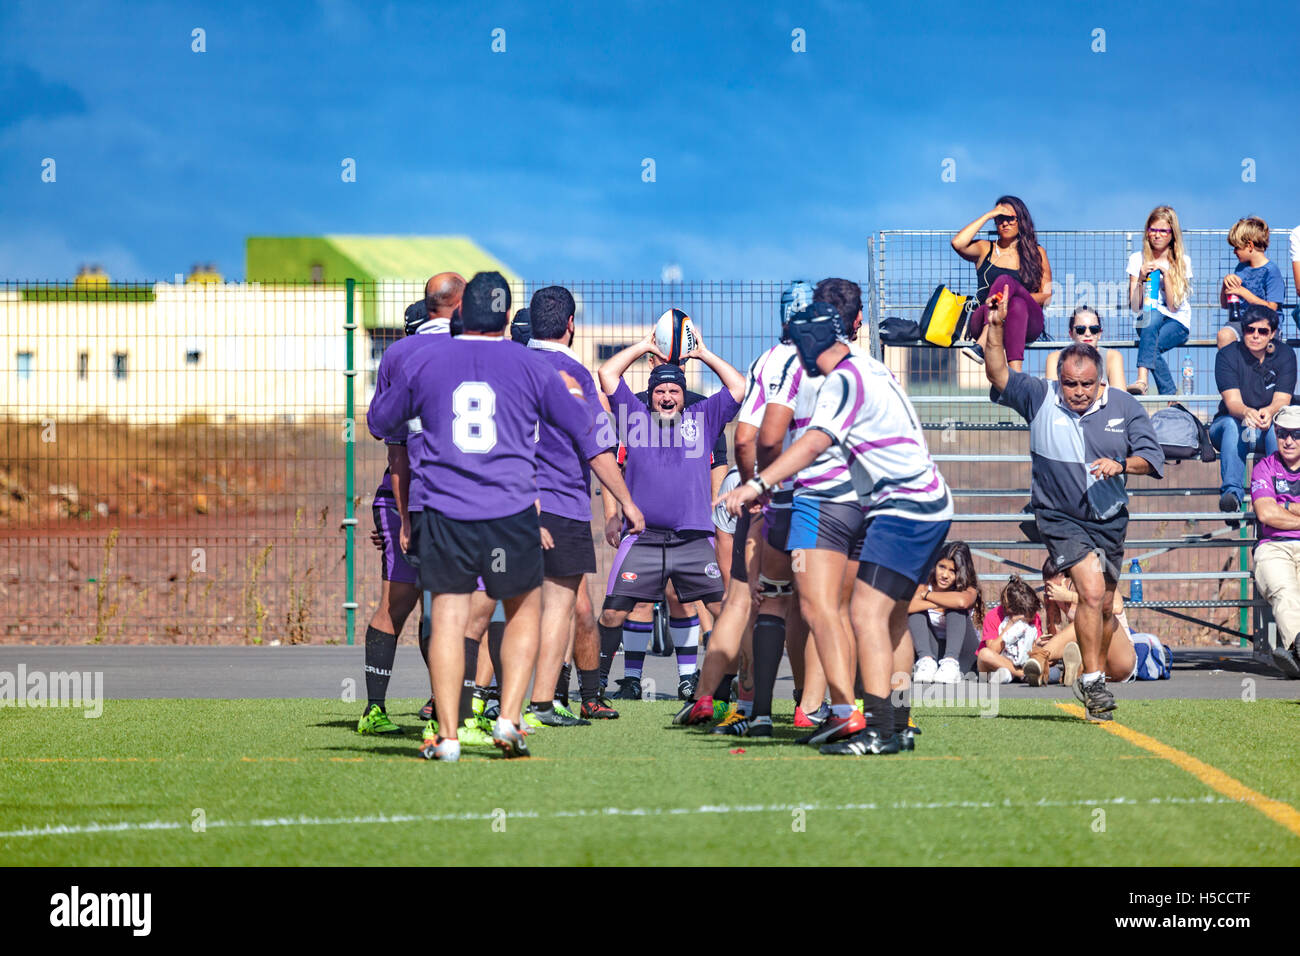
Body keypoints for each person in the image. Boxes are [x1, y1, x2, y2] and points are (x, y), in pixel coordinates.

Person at [367, 271, 644, 762]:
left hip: (444, 508)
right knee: (520, 612)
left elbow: (380, 423)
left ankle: (448, 734)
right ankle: (511, 720)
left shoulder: (423, 360)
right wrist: (624, 498)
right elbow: (586, 432)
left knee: (449, 618)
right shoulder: (534, 365)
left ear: (460, 313)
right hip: (512, 509)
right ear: (506, 316)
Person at [720, 302, 954, 756]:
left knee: (859, 614)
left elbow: (811, 442)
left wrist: (758, 485)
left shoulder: (842, 381)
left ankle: (875, 728)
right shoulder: (871, 369)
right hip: (925, 501)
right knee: (886, 616)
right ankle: (894, 726)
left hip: (905, 507)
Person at [983, 292, 1165, 722]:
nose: (1078, 392)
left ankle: (1092, 665)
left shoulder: (1125, 405)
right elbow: (995, 372)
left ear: (1100, 380)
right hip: (1059, 515)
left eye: (1087, 384)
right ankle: (1094, 686)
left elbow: (1152, 460)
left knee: (1101, 607)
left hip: (1109, 518)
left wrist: (1121, 464)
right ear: (1059, 379)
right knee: (1089, 588)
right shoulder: (1038, 397)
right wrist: (994, 326)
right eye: (1070, 383)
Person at [595, 323, 745, 704]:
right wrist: (644, 344)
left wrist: (701, 354)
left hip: (693, 539)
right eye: (660, 391)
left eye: (673, 391)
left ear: (683, 396)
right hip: (643, 539)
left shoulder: (704, 418)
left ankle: (724, 690)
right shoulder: (633, 415)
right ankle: (592, 687)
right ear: (650, 394)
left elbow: (738, 388)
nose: (666, 397)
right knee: (614, 612)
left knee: (721, 609)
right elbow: (608, 374)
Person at [525, 285, 642, 726]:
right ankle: (545, 702)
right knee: (564, 607)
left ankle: (479, 699)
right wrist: (626, 504)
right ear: (571, 325)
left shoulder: (510, 365)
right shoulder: (572, 374)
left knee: (496, 605)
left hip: (503, 502)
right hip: (560, 503)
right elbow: (597, 448)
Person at [358, 272, 465, 737]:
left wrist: (400, 514)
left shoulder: (398, 354)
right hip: (453, 500)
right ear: (461, 304)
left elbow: (388, 437)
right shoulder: (476, 350)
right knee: (452, 607)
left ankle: (376, 710)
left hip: (406, 495)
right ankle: (450, 710)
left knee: (397, 603)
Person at [1210, 305, 1296, 517]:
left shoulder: (1285, 355)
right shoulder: (1228, 355)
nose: (1255, 335)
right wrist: (1247, 412)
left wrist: (1268, 411)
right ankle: (1232, 497)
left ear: (1272, 334)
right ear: (1243, 330)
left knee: (1278, 429)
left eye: (1262, 331)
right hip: (1228, 424)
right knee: (1232, 424)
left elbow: (1282, 400)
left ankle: (1277, 498)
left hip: (1268, 424)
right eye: (1250, 330)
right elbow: (1232, 403)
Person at [951, 195, 1053, 369]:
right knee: (1015, 299)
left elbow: (1047, 296)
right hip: (984, 315)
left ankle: (982, 344)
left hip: (1027, 322)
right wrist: (988, 215)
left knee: (1014, 296)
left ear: (1021, 220)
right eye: (1000, 219)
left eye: (1010, 219)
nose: (1005, 223)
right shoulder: (985, 248)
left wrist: (1010, 297)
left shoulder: (1037, 253)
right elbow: (958, 243)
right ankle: (1015, 377)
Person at [1247, 405, 1300, 679]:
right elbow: (1266, 513)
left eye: (1296, 433)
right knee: (1284, 591)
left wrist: (1288, 507)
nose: (1288, 440)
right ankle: (1298, 649)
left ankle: (1297, 654)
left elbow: (1275, 511)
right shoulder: (1264, 467)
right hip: (1273, 546)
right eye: (1282, 434)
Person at [1032, 556, 1136, 685]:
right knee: (1081, 626)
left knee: (1093, 617)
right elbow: (1056, 633)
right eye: (1048, 586)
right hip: (1093, 663)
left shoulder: (1097, 580)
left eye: (1057, 586)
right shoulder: (1053, 595)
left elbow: (1117, 607)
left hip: (1120, 661)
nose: (1053, 590)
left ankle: (1039, 658)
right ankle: (1041, 663)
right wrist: (1051, 613)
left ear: (1067, 577)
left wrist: (1070, 596)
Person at [1126, 206, 1193, 396]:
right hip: (1147, 320)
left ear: (1172, 234)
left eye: (1163, 230)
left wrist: (1167, 277)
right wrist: (1140, 277)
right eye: (1153, 229)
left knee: (1150, 348)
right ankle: (1170, 396)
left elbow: (1173, 306)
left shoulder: (1182, 261)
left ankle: (1143, 381)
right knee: (1151, 315)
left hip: (1176, 322)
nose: (1157, 235)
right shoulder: (1137, 259)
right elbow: (1134, 305)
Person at [909, 541, 984, 682]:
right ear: (934, 566)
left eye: (952, 571)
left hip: (962, 653)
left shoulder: (970, 589)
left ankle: (951, 663)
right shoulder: (924, 584)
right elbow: (907, 607)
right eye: (942, 567)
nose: (945, 575)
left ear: (961, 573)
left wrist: (926, 597)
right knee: (916, 612)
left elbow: (962, 602)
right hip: (933, 650)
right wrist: (937, 603)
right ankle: (926, 661)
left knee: (956, 609)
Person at [1216, 217, 1286, 348]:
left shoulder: (1272, 271)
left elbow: (1272, 308)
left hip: (1266, 324)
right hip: (1241, 323)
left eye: (1237, 247)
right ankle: (1229, 368)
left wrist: (1244, 293)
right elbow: (1225, 305)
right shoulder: (1240, 269)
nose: (1234, 251)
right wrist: (1225, 285)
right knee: (1224, 335)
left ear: (1249, 246)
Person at [975, 576, 1041, 683]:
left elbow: (1034, 646)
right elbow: (992, 651)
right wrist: (1009, 625)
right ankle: (1023, 674)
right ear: (1011, 611)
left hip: (1022, 661)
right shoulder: (993, 616)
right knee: (984, 654)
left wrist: (1039, 643)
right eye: (1029, 616)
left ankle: (1014, 674)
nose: (1033, 617)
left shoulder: (1035, 617)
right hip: (998, 663)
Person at [1046, 306, 1128, 390]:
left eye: (1094, 329)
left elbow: (1120, 398)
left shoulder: (1112, 357)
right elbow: (1053, 396)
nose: (1088, 334)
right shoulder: (1055, 358)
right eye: (1081, 329)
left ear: (1099, 333)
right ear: (1071, 334)